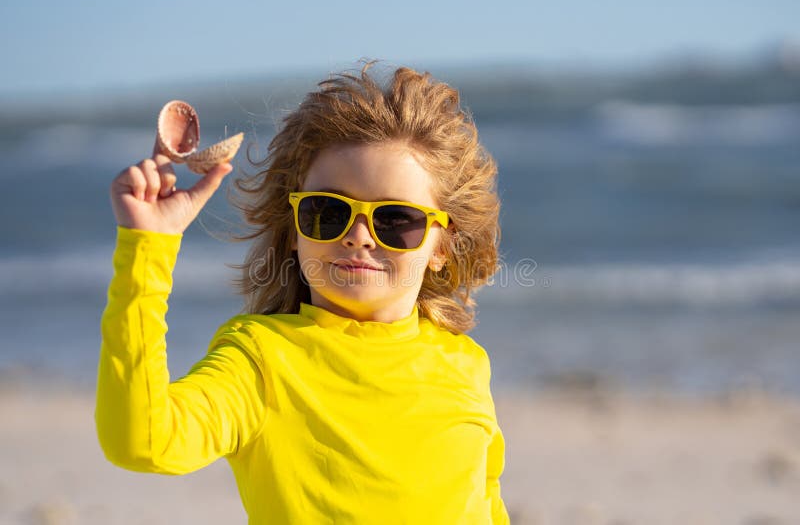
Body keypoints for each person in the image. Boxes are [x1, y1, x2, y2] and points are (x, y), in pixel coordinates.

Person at [96, 62, 509, 524]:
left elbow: (486, 506)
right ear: (292, 227)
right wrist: (146, 249)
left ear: (443, 245)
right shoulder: (260, 361)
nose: (359, 236)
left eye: (396, 220)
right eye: (327, 212)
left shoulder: (466, 365)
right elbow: (142, 440)